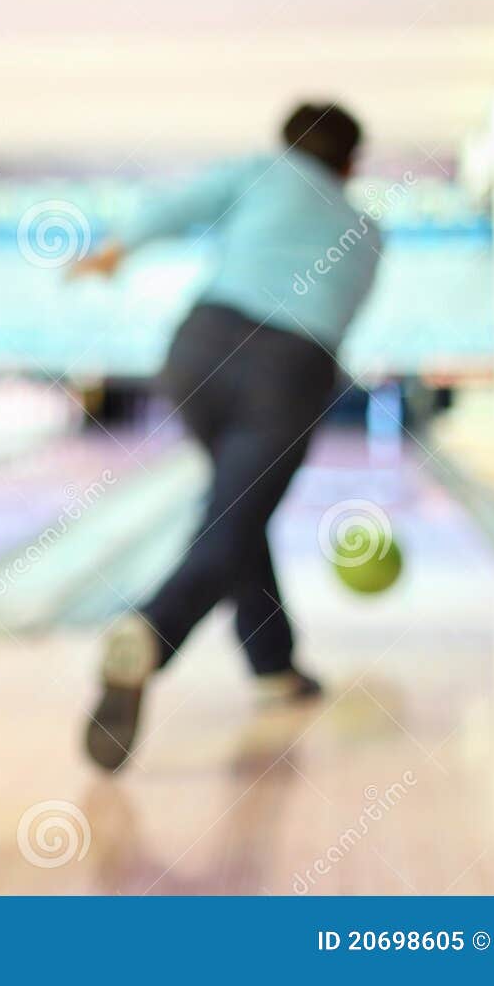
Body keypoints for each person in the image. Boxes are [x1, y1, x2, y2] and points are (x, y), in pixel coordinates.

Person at [69, 102, 381, 772]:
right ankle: (152, 629)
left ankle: (274, 665)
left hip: (197, 350)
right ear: (352, 164)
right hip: (289, 369)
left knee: (236, 514)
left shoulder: (262, 171)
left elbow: (174, 208)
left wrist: (113, 251)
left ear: (285, 141)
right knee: (236, 515)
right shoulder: (366, 232)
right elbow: (340, 317)